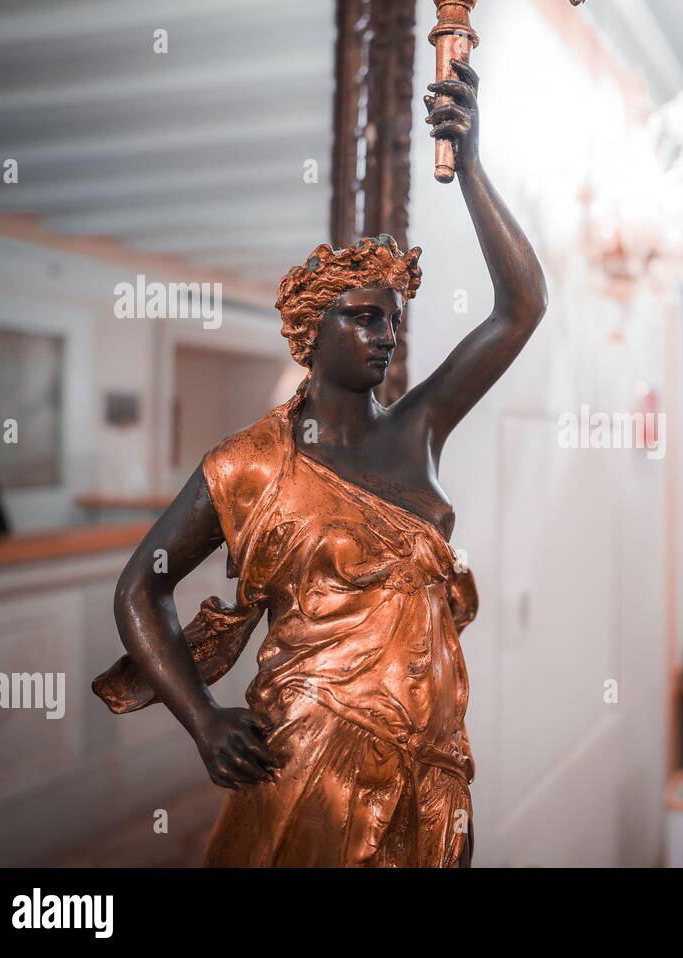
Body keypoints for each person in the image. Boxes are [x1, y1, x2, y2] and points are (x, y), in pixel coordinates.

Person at [93, 59, 546, 867]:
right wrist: (204, 720)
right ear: (313, 331)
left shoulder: (419, 429)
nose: (386, 336)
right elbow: (140, 586)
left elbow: (521, 308)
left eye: (393, 322)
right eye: (365, 319)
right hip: (310, 756)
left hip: (432, 753)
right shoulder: (250, 467)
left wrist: (470, 167)